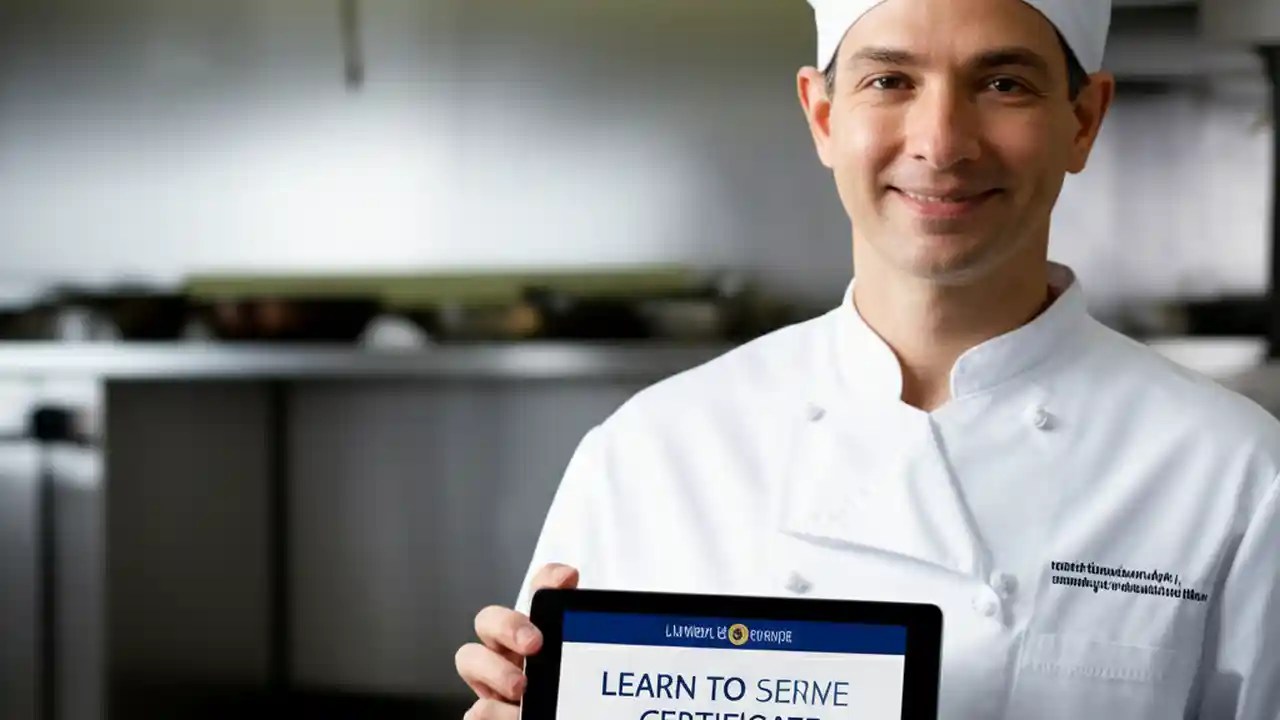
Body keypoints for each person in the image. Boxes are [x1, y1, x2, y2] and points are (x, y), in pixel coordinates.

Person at [455, 0, 1280, 717]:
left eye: (1003, 83)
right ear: (822, 115)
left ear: (1084, 120)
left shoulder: (1236, 476)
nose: (942, 142)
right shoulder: (651, 452)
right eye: (890, 80)